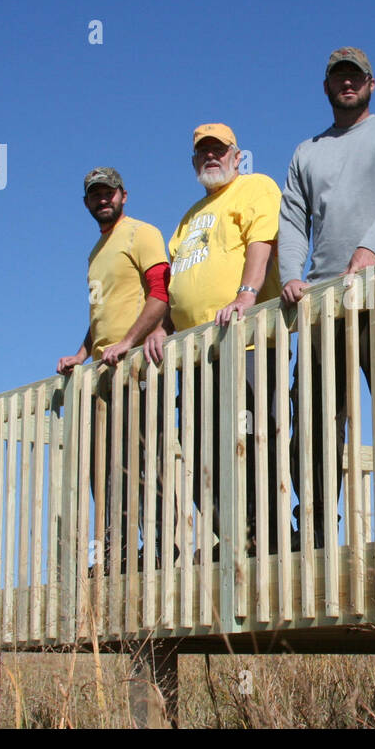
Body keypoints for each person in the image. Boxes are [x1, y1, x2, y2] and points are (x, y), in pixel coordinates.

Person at [278, 47, 375, 549]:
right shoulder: (307, 151)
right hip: (322, 303)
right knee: (315, 423)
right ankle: (318, 533)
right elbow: (293, 220)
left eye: (356, 77)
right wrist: (289, 275)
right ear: (326, 87)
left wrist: (368, 251)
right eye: (339, 78)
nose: (348, 84)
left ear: (371, 83)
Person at [145, 124, 282, 559]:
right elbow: (178, 282)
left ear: (236, 155)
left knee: (256, 437)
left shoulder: (255, 187)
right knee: (203, 448)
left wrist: (246, 294)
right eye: (203, 152)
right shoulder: (188, 217)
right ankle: (235, 538)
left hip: (248, 342)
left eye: (218, 150)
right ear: (193, 162)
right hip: (198, 354)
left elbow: (262, 242)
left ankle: (267, 539)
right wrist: (162, 326)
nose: (211, 157)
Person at [56, 167, 170, 571]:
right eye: (94, 195)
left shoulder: (143, 233)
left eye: (109, 192)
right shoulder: (94, 254)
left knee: (143, 459)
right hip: (104, 374)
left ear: (124, 195)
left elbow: (160, 294)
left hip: (139, 368)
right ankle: (115, 552)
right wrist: (81, 353)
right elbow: (102, 315)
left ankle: (160, 549)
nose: (102, 199)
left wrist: (128, 343)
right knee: (103, 467)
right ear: (87, 202)